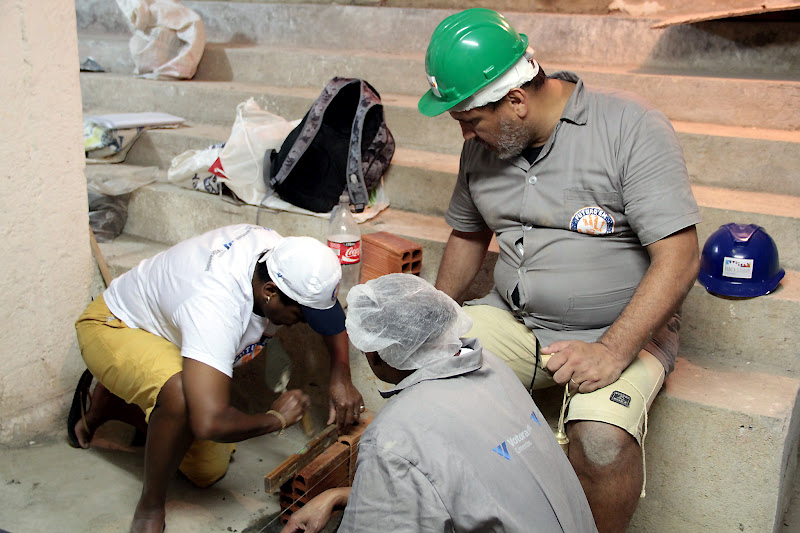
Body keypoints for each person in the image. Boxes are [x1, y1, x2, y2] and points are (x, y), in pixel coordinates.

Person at [417, 8, 701, 533]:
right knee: (428, 373)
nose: (467, 136)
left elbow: (680, 256)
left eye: (470, 121)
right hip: (516, 319)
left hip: (615, 329)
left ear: (517, 102)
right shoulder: (485, 146)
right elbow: (468, 233)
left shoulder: (629, 127)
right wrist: (434, 314)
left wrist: (614, 351)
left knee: (600, 441)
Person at [69, 224, 364, 533]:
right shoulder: (215, 306)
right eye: (301, 315)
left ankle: (113, 405)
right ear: (270, 293)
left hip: (173, 335)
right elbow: (208, 423)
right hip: (116, 325)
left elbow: (329, 319)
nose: (301, 324)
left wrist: (340, 375)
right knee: (183, 399)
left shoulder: (281, 258)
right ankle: (149, 507)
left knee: (207, 470)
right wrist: (276, 418)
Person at [281, 274, 597, 533]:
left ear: (376, 353)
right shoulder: (491, 366)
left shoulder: (394, 435)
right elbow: (461, 487)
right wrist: (341, 495)